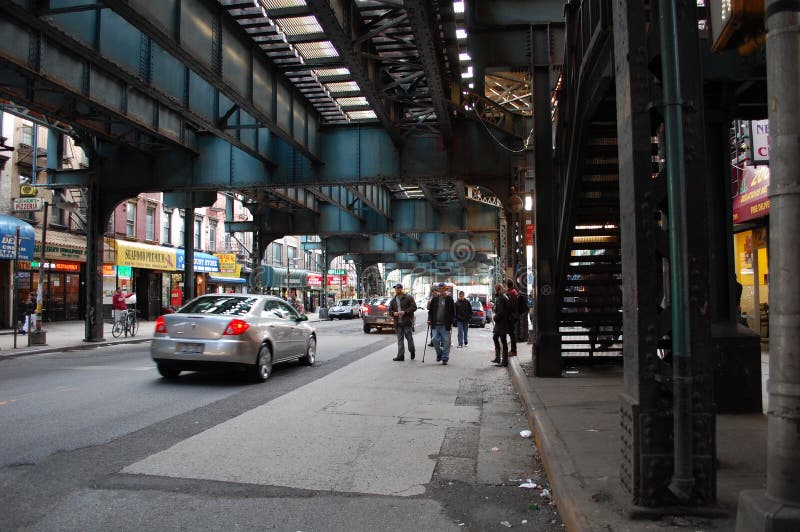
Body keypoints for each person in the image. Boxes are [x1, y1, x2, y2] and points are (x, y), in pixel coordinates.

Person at [427, 282, 455, 365]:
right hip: (435, 324)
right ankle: (439, 354)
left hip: (445, 324)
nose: (441, 290)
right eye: (440, 288)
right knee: (434, 340)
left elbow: (453, 312)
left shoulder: (449, 299)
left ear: (445, 289)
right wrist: (429, 319)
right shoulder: (435, 299)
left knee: (446, 342)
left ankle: (445, 358)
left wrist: (451, 322)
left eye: (443, 288)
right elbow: (430, 311)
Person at [389, 283, 417, 361]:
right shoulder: (393, 300)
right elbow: (390, 311)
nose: (396, 290)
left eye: (398, 288)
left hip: (407, 322)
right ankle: (400, 356)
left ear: (401, 289)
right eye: (395, 288)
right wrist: (393, 313)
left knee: (409, 338)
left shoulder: (408, 297)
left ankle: (412, 351)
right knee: (400, 340)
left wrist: (405, 312)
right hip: (398, 323)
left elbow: (414, 307)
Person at [492, 283, 511, 367]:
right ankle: (498, 358)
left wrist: (495, 317)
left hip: (502, 323)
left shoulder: (501, 298)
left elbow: (502, 312)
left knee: (503, 341)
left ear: (497, 289)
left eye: (495, 289)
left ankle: (504, 361)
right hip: (501, 322)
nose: (494, 290)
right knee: (496, 338)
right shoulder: (501, 297)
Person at [505, 279, 519, 356]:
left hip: (511, 317)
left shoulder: (511, 293)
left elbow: (511, 306)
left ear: (507, 285)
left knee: (512, 334)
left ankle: (513, 351)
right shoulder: (514, 292)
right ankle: (512, 350)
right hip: (513, 316)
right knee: (511, 333)